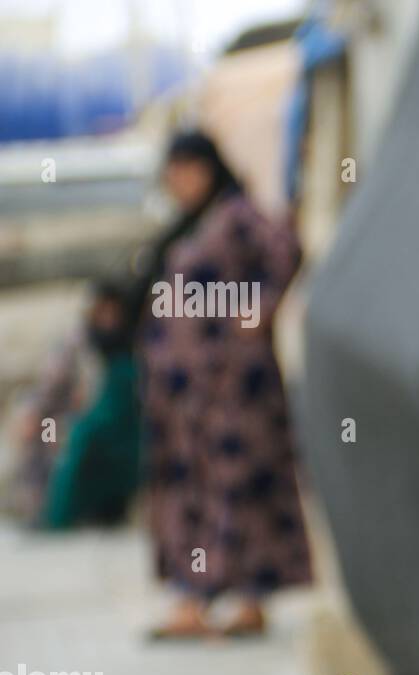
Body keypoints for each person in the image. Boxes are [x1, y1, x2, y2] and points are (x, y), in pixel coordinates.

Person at [140, 130, 312, 639]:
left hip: (235, 389)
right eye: (172, 174)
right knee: (198, 490)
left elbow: (288, 249)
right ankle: (206, 600)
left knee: (240, 487)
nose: (179, 183)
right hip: (190, 395)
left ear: (209, 167)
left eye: (187, 170)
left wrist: (257, 312)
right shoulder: (189, 225)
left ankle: (228, 599)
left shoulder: (237, 214)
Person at [37, 278, 143, 529]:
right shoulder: (79, 344)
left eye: (113, 312)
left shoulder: (138, 343)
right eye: (102, 312)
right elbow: (50, 389)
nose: (108, 319)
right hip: (87, 421)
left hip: (129, 428)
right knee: (74, 439)